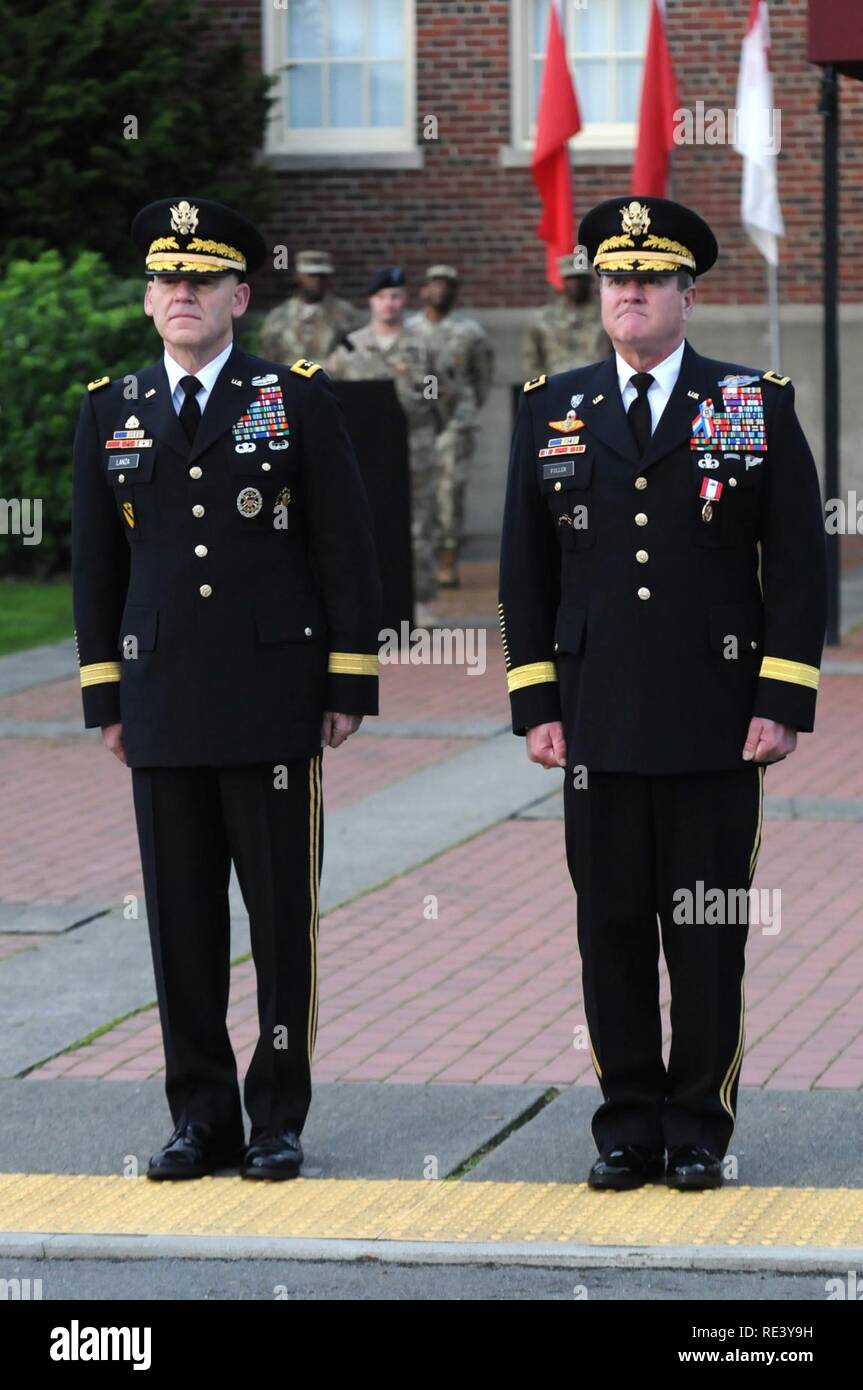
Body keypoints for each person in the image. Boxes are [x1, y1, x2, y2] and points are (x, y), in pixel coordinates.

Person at [498, 196, 827, 1192]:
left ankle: (695, 1130)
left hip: (714, 720)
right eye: (613, 277)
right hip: (594, 718)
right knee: (608, 932)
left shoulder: (748, 403)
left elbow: (798, 565)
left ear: (688, 293)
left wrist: (781, 697)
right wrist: (535, 702)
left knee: (703, 936)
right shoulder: (550, 407)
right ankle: (626, 1128)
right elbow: (523, 573)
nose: (629, 291)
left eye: (648, 278)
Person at [71, 196, 382, 1182]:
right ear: (147, 298)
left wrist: (347, 677)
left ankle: (275, 1117)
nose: (183, 294)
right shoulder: (111, 407)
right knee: (181, 925)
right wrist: (105, 696)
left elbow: (345, 544)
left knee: (280, 923)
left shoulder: (292, 397)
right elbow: (96, 567)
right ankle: (198, 1117)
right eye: (167, 279)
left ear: (239, 297)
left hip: (271, 697)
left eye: (202, 280)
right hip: (161, 699)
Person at [327, 267, 450, 621]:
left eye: (395, 296)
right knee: (364, 523)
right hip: (365, 453)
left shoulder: (424, 344)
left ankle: (419, 600)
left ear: (405, 299)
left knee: (420, 524)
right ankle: (369, 600)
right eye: (382, 297)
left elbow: (444, 392)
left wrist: (429, 424)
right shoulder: (350, 346)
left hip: (415, 446)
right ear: (371, 301)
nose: (389, 304)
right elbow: (331, 395)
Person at [408, 265, 494, 588]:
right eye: (436, 283)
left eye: (449, 285)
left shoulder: (469, 332)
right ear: (424, 290)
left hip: (455, 425)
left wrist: (465, 411)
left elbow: (483, 376)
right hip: (416, 424)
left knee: (450, 491)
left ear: (456, 293)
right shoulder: (408, 330)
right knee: (417, 492)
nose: (441, 289)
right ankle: (419, 558)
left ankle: (448, 556)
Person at [259, 249, 364, 364]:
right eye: (311, 275)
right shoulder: (280, 315)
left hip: (330, 374)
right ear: (298, 276)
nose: (317, 280)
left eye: (322, 276)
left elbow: (357, 356)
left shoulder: (346, 315)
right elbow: (267, 357)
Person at [522, 255, 610, 379]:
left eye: (580, 278)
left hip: (598, 381)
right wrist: (540, 386)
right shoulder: (544, 318)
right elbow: (531, 359)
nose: (575, 284)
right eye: (570, 279)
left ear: (590, 280)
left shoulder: (607, 314)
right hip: (556, 382)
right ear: (563, 281)